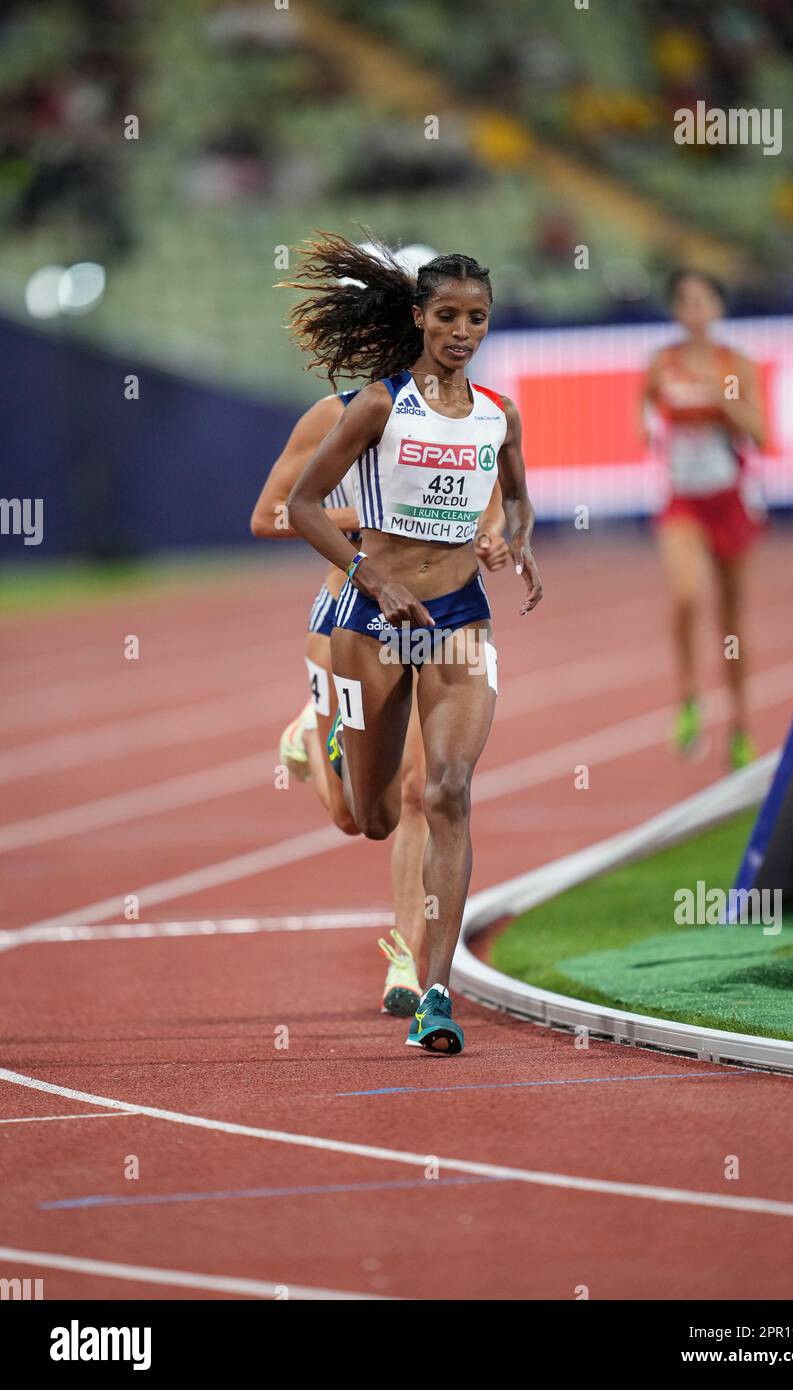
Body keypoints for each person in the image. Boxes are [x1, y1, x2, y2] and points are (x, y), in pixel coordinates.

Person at [282, 235, 542, 1054]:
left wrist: (517, 540)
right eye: (448, 316)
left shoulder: (501, 412)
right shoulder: (377, 406)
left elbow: (521, 498)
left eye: (478, 318)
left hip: (460, 619)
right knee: (373, 816)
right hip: (373, 623)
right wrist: (370, 576)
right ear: (420, 318)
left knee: (449, 793)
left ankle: (436, 992)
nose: (463, 331)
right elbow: (301, 505)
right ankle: (319, 732)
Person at [250, 340, 510, 1018]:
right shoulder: (336, 414)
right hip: (349, 613)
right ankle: (314, 731)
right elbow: (270, 513)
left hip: (438, 618)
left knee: (429, 792)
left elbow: (491, 503)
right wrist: (369, 520)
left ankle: (409, 958)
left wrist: (493, 533)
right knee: (358, 817)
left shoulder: (465, 419)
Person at [644, 269, 766, 771]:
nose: (693, 310)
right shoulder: (662, 363)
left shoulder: (735, 364)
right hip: (684, 503)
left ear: (718, 308)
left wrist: (723, 402)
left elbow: (762, 434)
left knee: (732, 619)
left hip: (729, 501)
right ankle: (690, 696)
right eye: (685, 301)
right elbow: (643, 416)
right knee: (687, 595)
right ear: (676, 311)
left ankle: (738, 724)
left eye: (702, 301)